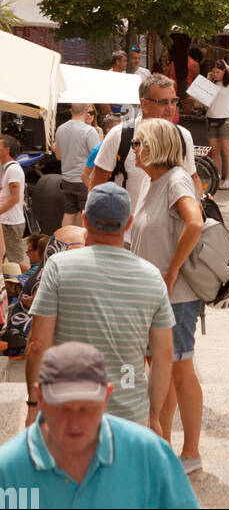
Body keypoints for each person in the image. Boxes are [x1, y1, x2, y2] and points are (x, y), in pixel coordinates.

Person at [26, 183, 174, 432]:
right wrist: (154, 415)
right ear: (128, 224)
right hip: (130, 417)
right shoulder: (151, 276)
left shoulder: (59, 267)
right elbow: (164, 354)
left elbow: (38, 344)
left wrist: (33, 405)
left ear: (84, 220)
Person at [6, 342, 199, 509]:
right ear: (39, 398)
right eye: (63, 409)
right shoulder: (8, 470)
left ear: (107, 396)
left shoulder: (150, 456)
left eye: (87, 409)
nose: (75, 423)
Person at [130, 119, 205, 473]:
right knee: (165, 369)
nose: (134, 150)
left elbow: (195, 222)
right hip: (154, 296)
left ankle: (190, 453)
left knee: (180, 369)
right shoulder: (151, 180)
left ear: (156, 145)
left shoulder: (174, 179)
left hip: (175, 296)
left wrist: (172, 270)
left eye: (138, 143)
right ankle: (166, 447)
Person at [92, 75, 200, 213]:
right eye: (163, 102)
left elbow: (193, 178)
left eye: (173, 101)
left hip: (169, 232)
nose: (170, 108)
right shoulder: (119, 135)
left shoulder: (183, 136)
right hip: (127, 231)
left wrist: (199, 202)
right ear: (144, 104)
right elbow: (97, 183)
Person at [53, 105, 101, 227]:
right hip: (84, 180)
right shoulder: (90, 131)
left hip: (66, 179)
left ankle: (64, 242)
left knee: (69, 213)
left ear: (71, 111)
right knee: (85, 214)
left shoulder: (60, 129)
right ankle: (83, 244)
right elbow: (98, 158)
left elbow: (58, 156)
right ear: (86, 111)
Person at [204, 59, 229, 190]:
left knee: (227, 150)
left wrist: (225, 64)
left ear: (224, 72)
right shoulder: (212, 84)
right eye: (214, 72)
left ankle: (228, 180)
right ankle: (218, 178)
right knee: (215, 151)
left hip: (226, 118)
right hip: (211, 117)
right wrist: (208, 80)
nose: (216, 74)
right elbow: (202, 97)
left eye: (218, 72)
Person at [0, 134, 29, 271]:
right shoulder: (9, 169)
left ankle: (30, 282)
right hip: (7, 221)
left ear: (7, 149)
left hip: (11, 222)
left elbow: (15, 198)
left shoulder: (13, 170)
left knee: (17, 261)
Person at [82, 114, 121, 192]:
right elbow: (84, 176)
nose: (122, 131)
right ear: (108, 130)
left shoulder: (123, 146)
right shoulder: (98, 149)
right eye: (118, 128)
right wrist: (95, 193)